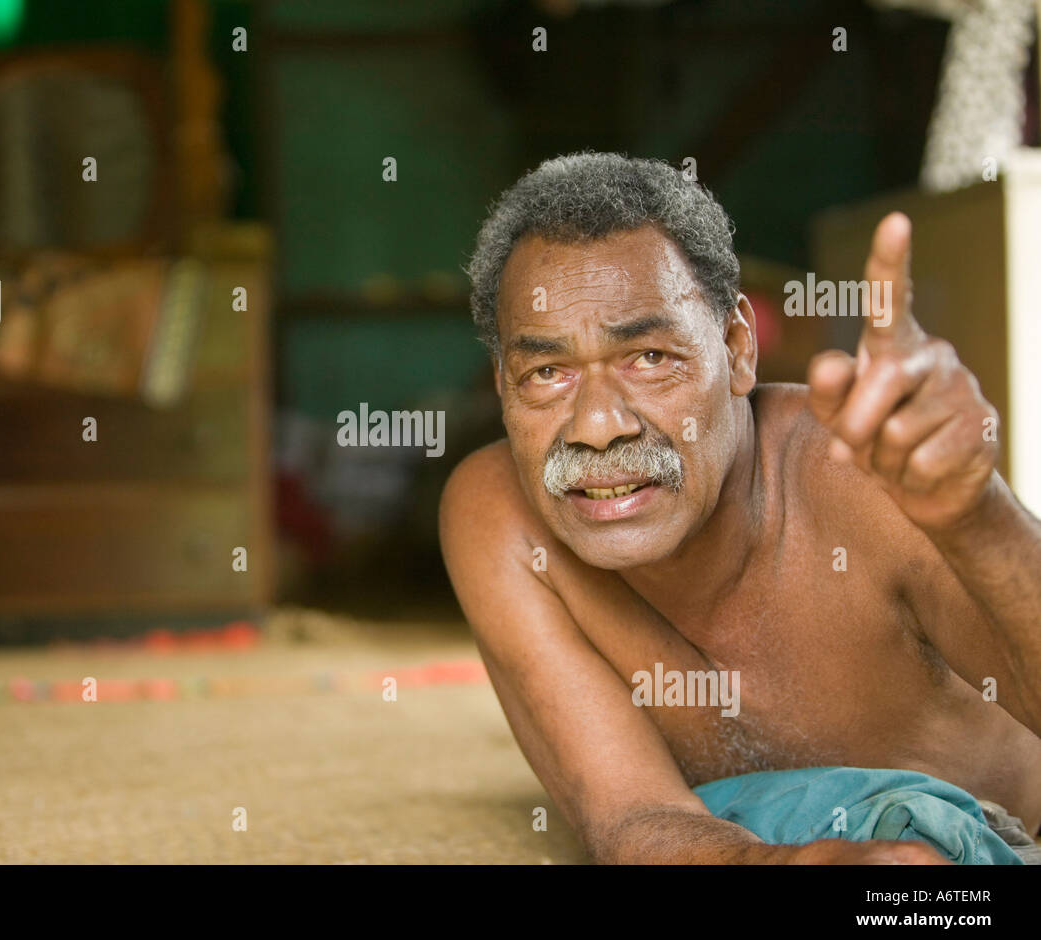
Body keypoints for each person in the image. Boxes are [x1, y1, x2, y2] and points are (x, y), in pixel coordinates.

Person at [439, 152, 1041, 864]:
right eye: (547, 373)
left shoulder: (858, 478)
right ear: (504, 388)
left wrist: (977, 516)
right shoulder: (499, 517)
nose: (598, 426)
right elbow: (632, 817)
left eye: (650, 358)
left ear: (737, 350)